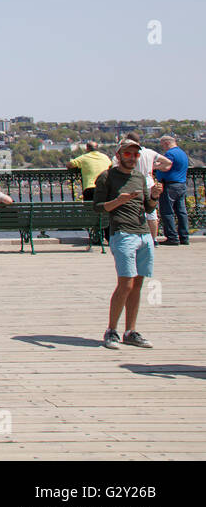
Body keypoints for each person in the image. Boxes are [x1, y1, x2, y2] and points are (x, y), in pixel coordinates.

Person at [94, 138, 163, 349]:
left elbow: (149, 208)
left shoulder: (140, 177)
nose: (132, 158)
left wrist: (153, 196)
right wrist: (118, 201)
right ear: (118, 155)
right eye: (128, 154)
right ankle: (111, 330)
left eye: (135, 155)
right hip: (122, 233)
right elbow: (98, 207)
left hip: (143, 234)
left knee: (138, 285)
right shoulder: (107, 177)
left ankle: (130, 331)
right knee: (125, 283)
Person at [155, 135, 191, 246]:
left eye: (162, 145)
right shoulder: (182, 153)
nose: (163, 148)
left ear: (166, 143)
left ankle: (172, 237)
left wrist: (154, 167)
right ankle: (184, 237)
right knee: (181, 212)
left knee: (167, 212)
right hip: (181, 184)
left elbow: (166, 166)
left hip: (170, 185)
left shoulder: (170, 154)